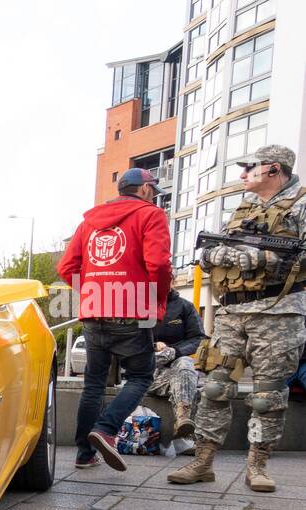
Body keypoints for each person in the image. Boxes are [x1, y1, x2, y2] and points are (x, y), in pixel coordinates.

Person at [170, 145, 306, 492]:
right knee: (215, 387)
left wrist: (264, 260)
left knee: (268, 395)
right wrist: (213, 255)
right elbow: (215, 250)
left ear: (273, 169)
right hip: (232, 312)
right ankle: (202, 462)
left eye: (250, 168)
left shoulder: (302, 206)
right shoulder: (242, 210)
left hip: (279, 312)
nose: (243, 174)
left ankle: (257, 466)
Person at [58, 166, 172, 471]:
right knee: (140, 377)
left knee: (93, 384)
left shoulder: (89, 222)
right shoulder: (151, 215)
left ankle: (84, 454)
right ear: (146, 190)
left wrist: (93, 294)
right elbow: (159, 264)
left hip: (95, 312)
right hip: (132, 310)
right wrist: (155, 300)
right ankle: (107, 430)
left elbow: (67, 267)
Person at [148, 288, 204, 438]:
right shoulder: (139, 305)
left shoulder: (185, 306)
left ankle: (182, 420)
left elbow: (198, 338)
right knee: (190, 385)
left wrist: (174, 351)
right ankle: (186, 439)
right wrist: (153, 346)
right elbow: (130, 339)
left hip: (177, 368)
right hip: (146, 372)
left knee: (185, 364)